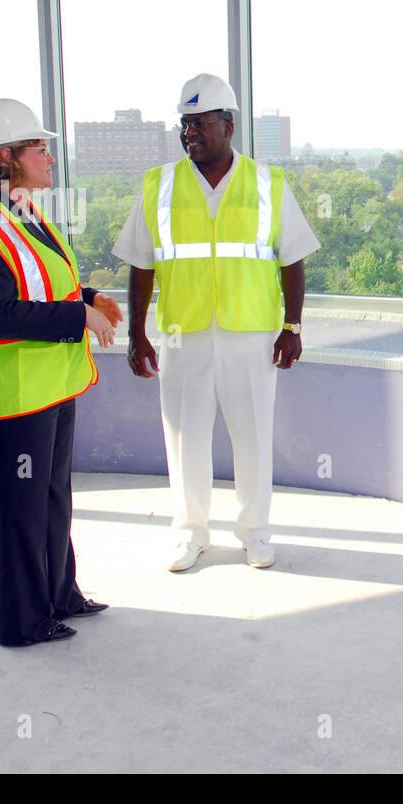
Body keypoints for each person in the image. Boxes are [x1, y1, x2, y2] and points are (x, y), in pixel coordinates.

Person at [115, 75, 320, 572]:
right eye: (185, 124)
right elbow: (141, 265)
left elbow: (292, 260)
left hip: (251, 335)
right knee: (183, 438)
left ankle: (256, 532)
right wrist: (137, 333)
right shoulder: (158, 185)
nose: (191, 134)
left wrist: (292, 328)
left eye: (201, 124)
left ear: (228, 126)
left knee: (252, 437)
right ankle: (190, 533)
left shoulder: (269, 184)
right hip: (182, 335)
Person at [0, 98, 124, 645]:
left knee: (50, 497)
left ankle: (59, 594)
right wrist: (80, 315)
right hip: (9, 395)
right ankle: (22, 622)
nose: (50, 156)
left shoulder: (21, 212)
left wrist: (90, 296)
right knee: (18, 510)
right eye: (39, 147)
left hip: (49, 384)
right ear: (6, 156)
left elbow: (39, 284)